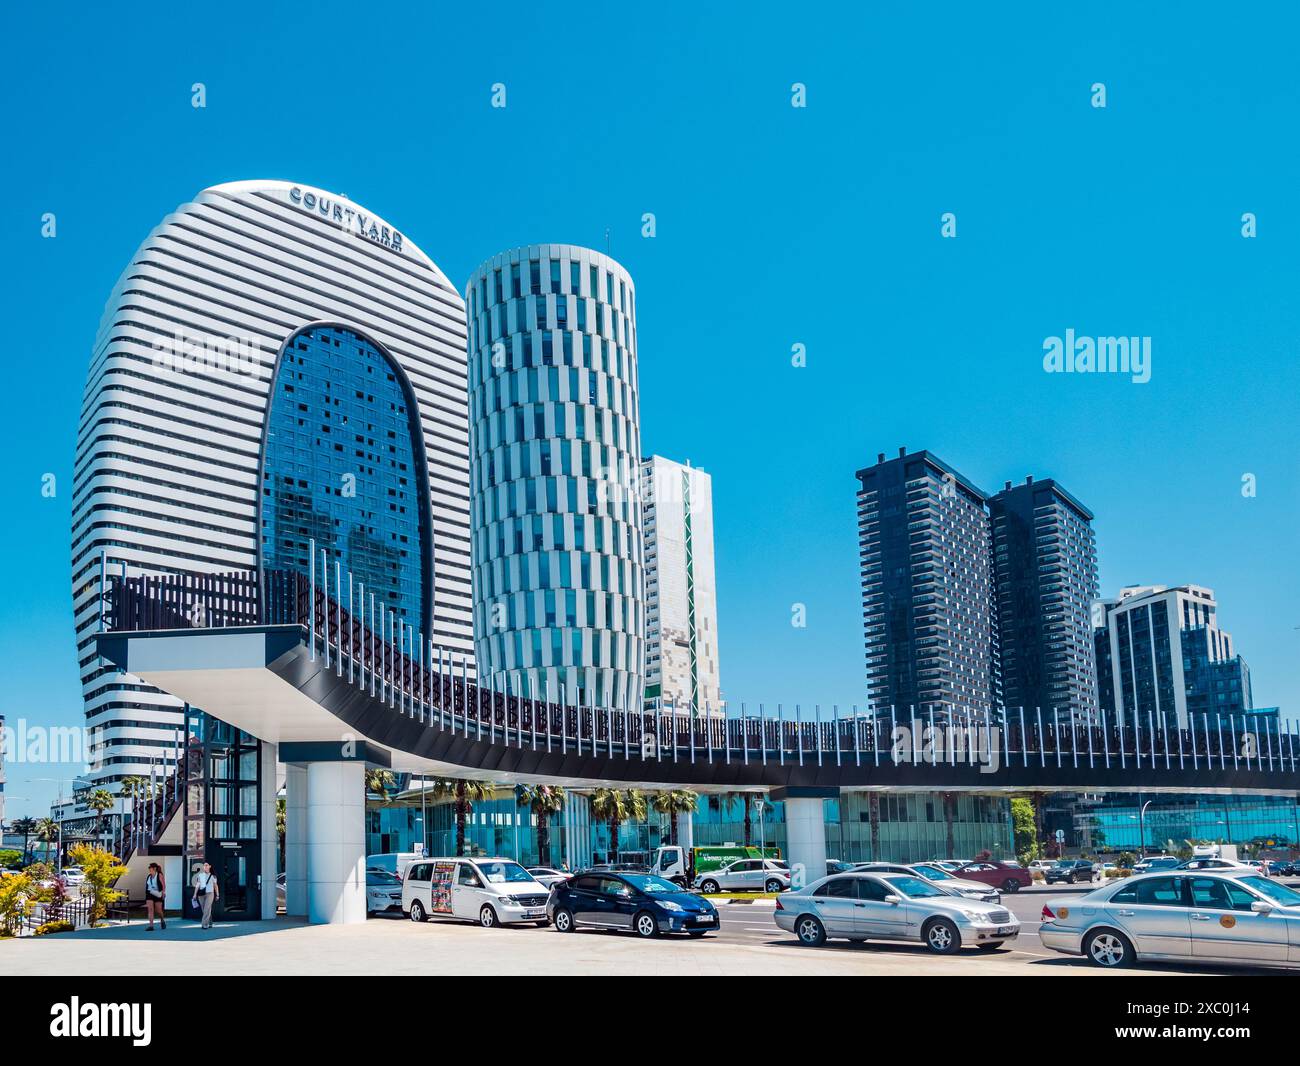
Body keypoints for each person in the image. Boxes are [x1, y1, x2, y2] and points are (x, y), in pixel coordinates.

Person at [192, 862, 219, 928]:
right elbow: (197, 885)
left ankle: (204, 924)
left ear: (210, 866)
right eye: (204, 865)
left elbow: (215, 886)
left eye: (206, 865)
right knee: (204, 909)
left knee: (207, 908)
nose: (205, 866)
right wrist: (195, 894)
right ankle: (210, 922)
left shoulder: (213, 876)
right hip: (201, 894)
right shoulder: (200, 875)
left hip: (210, 893)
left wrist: (217, 894)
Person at [144, 863, 167, 930]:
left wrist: (163, 893)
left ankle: (162, 920)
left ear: (154, 868)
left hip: (158, 894)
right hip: (150, 893)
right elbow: (147, 886)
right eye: (149, 868)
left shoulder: (159, 875)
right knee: (150, 909)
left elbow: (163, 885)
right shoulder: (149, 876)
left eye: (150, 868)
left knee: (158, 910)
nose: (149, 869)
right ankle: (151, 926)